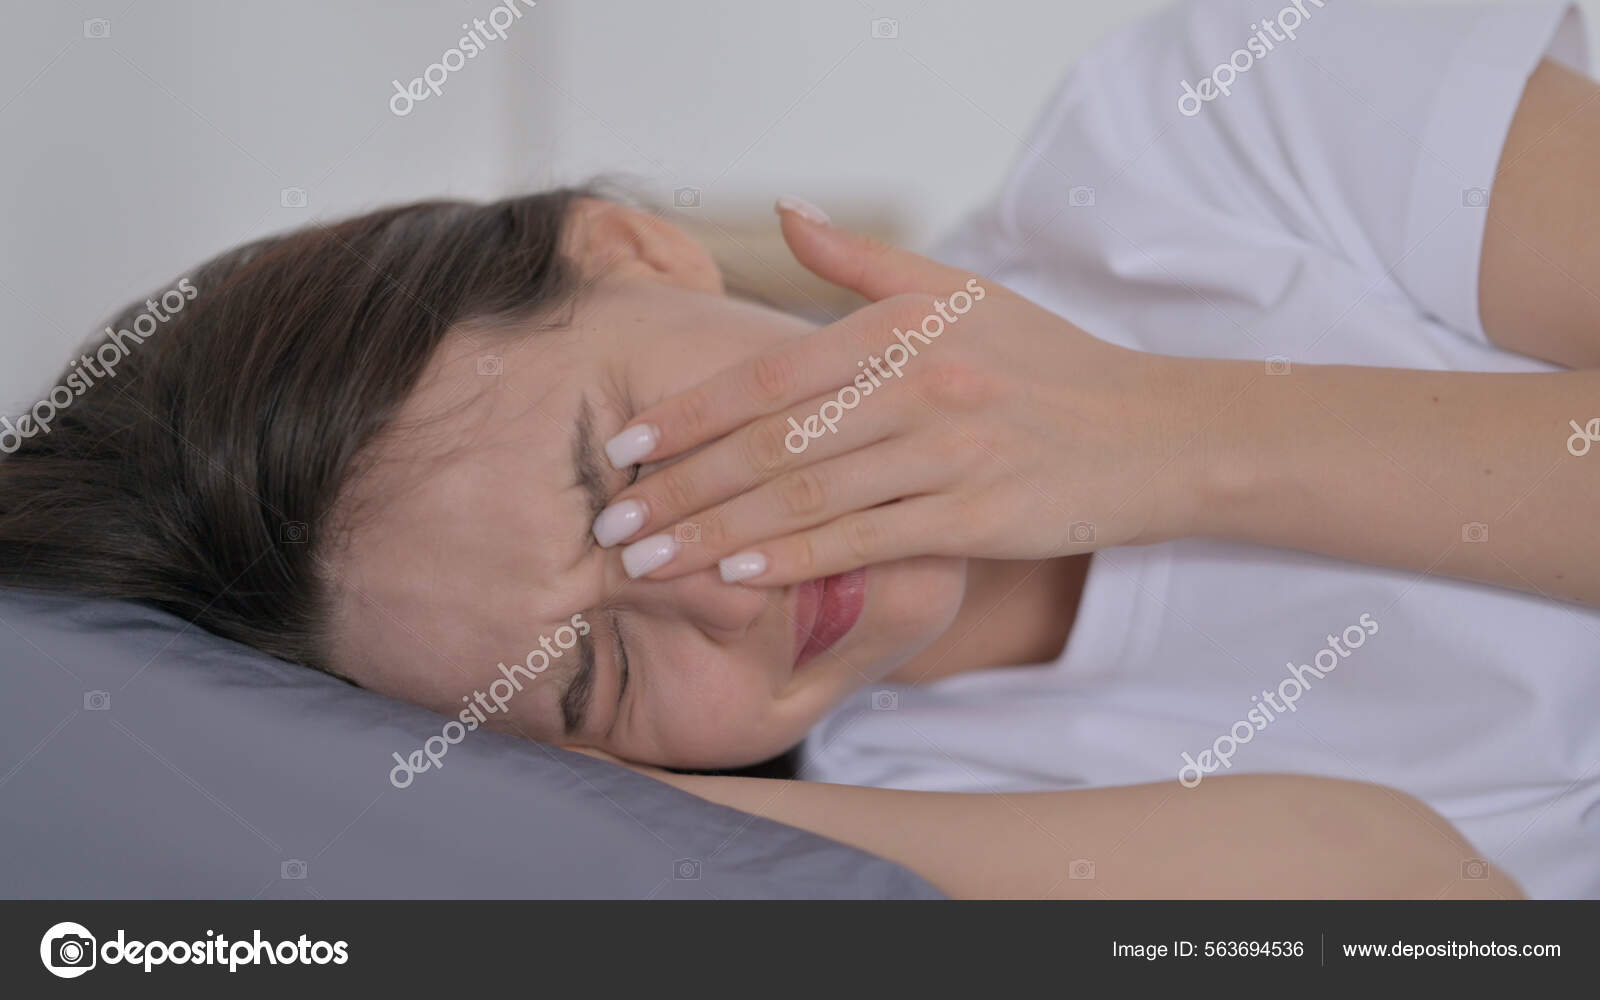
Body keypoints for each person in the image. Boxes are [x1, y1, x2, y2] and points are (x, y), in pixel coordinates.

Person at [0, 0, 1587, 897]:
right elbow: (1405, 903)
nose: (717, 587)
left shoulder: (1220, 136)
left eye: (627, 477)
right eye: (597, 680)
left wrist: (1175, 439)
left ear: (635, 247)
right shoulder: (942, 829)